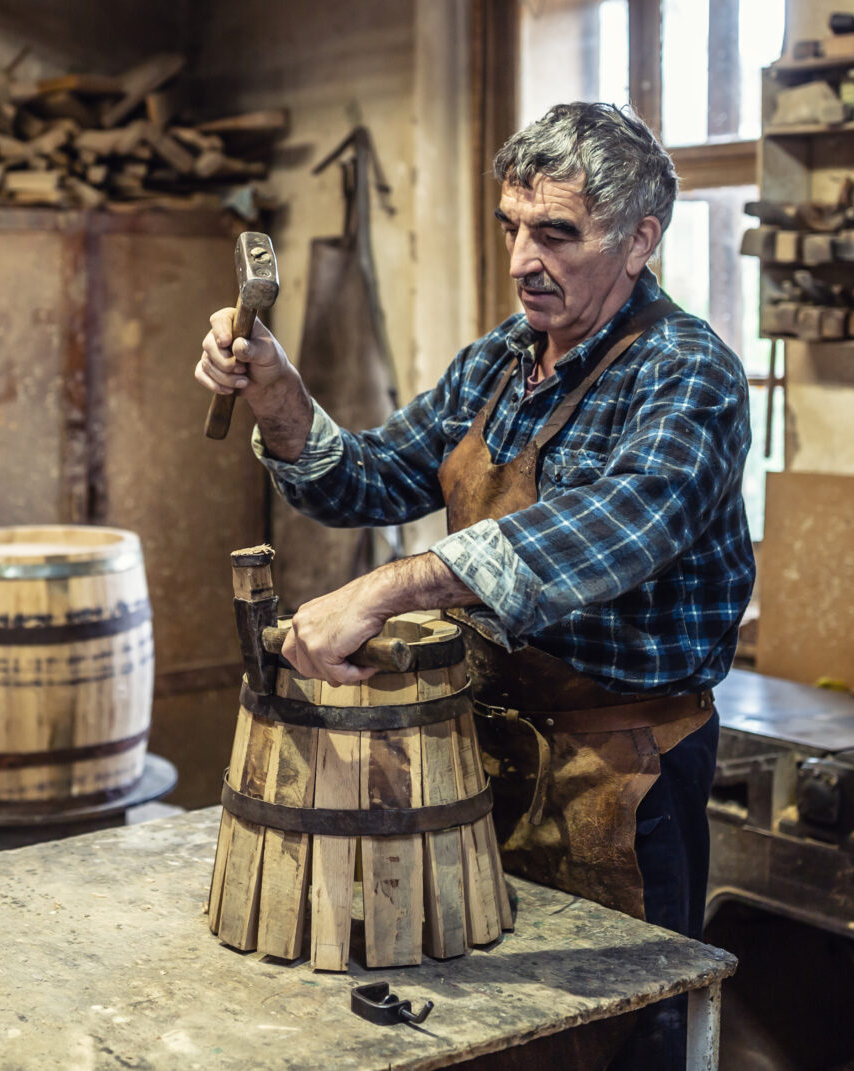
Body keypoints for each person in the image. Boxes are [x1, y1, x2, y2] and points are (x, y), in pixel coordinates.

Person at [193, 101, 754, 1067]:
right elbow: (365, 478)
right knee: (487, 1026)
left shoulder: (687, 371)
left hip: (622, 768)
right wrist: (278, 394)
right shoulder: (501, 360)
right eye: (512, 227)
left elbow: (611, 529)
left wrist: (382, 591)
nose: (522, 259)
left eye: (557, 234)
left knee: (624, 1034)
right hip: (484, 752)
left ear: (639, 240)